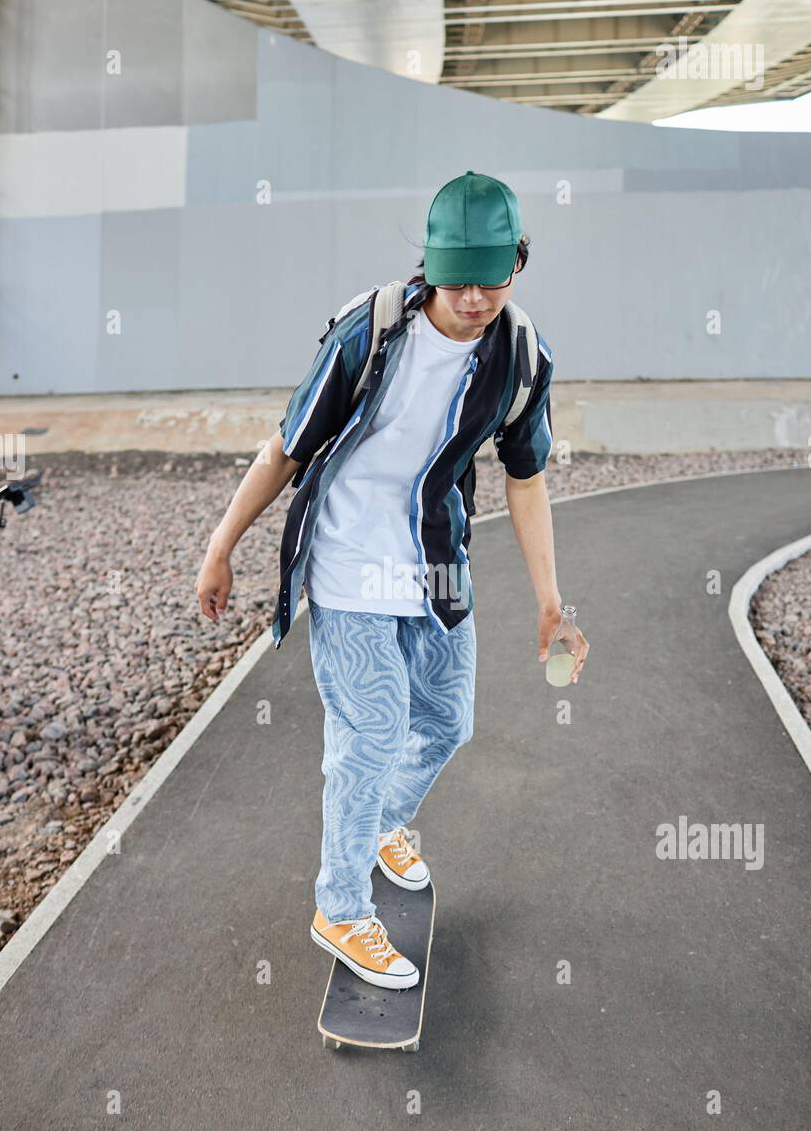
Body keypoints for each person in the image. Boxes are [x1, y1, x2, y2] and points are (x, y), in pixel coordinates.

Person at [196, 170, 589, 992]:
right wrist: (222, 544)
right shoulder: (368, 335)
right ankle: (339, 908)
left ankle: (375, 825)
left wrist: (553, 604)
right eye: (457, 279)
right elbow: (286, 451)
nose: (474, 297)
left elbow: (526, 479)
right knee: (369, 737)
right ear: (432, 265)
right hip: (347, 559)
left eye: (492, 277)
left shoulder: (521, 358)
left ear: (520, 261)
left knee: (447, 720)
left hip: (435, 557)